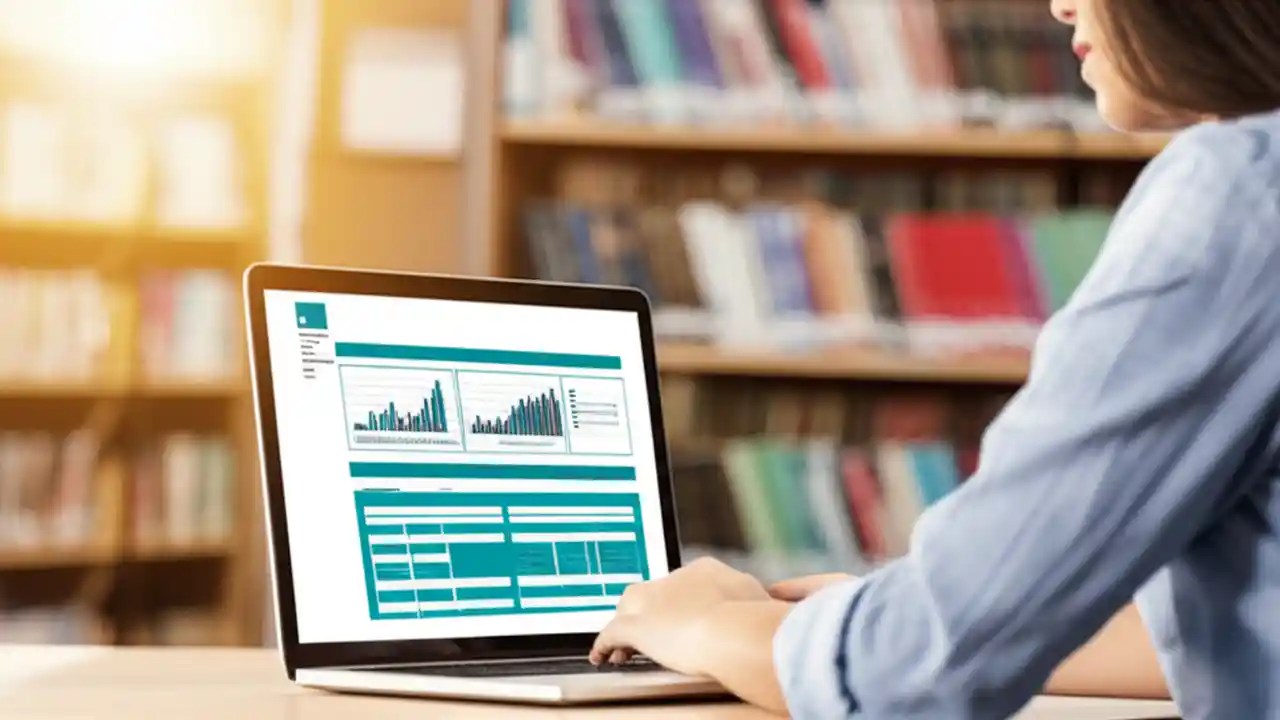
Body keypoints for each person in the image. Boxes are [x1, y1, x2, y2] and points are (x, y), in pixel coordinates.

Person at [589, 0, 1280, 717]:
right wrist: (894, 609)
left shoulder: (1241, 197)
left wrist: (702, 623)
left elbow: (904, 679)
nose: (1061, 4)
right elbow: (1235, 630)